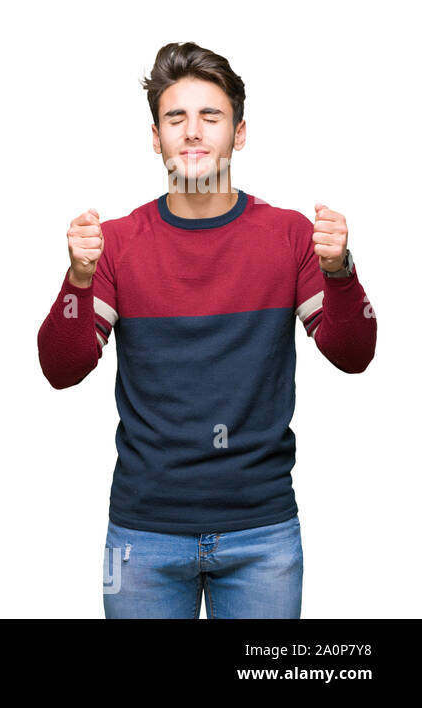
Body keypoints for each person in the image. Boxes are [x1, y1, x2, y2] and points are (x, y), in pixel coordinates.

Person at [37, 42, 376, 618]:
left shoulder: (290, 236)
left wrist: (341, 271)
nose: (193, 132)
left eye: (210, 117)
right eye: (176, 118)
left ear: (239, 133)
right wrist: (77, 279)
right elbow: (61, 369)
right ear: (156, 137)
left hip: (261, 532)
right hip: (143, 536)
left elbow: (353, 353)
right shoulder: (116, 243)